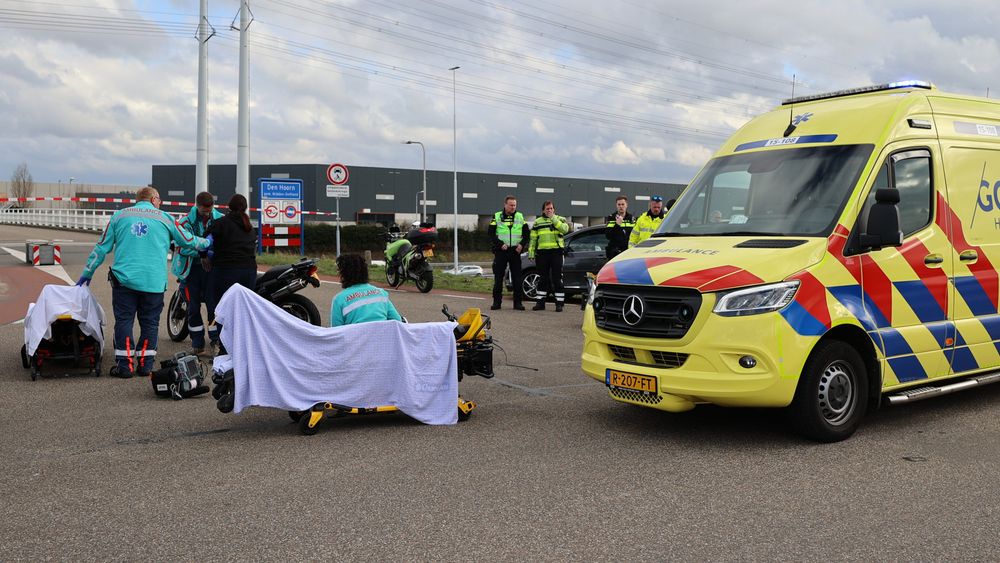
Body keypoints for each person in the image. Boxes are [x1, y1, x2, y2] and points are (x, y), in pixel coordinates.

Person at [77, 185, 211, 378]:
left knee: (124, 321)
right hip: (153, 282)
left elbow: (101, 248)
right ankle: (146, 366)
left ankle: (125, 366)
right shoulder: (165, 218)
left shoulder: (119, 216)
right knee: (150, 323)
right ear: (153, 199)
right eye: (159, 199)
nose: (160, 203)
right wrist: (207, 242)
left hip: (124, 281)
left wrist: (87, 274)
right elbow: (188, 241)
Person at [172, 191, 224, 357]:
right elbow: (180, 246)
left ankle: (215, 341)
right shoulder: (184, 222)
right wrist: (202, 255)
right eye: (203, 211)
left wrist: (209, 255)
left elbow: (223, 244)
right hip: (190, 271)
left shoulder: (221, 219)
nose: (207, 214)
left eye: (209, 211)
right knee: (193, 308)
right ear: (197, 206)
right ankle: (197, 344)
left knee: (213, 308)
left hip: (212, 272)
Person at [207, 194, 258, 355]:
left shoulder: (220, 223)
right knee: (243, 310)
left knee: (223, 309)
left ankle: (224, 348)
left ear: (229, 206)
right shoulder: (249, 227)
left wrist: (204, 257)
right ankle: (243, 347)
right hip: (249, 271)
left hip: (226, 270)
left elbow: (205, 242)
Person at [330, 253, 402, 326]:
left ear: (343, 274)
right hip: (381, 336)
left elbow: (336, 331)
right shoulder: (381, 294)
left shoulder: (339, 300)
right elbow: (397, 321)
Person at [488, 195, 528, 311]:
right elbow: (491, 233)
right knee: (498, 278)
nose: (513, 207)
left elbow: (526, 234)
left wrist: (521, 245)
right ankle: (496, 303)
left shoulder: (520, 216)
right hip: (502, 251)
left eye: (514, 205)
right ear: (505, 205)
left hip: (515, 251)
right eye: (510, 205)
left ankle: (518, 303)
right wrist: (500, 244)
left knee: (517, 278)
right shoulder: (497, 216)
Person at [529, 200, 570, 312]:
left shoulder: (560, 219)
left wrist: (553, 218)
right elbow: (533, 239)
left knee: (557, 278)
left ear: (554, 209)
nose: (549, 210)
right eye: (547, 209)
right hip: (542, 254)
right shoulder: (537, 222)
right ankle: (540, 303)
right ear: (543, 210)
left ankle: (559, 304)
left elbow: (565, 229)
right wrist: (531, 252)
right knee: (543, 279)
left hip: (556, 252)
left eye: (551, 208)